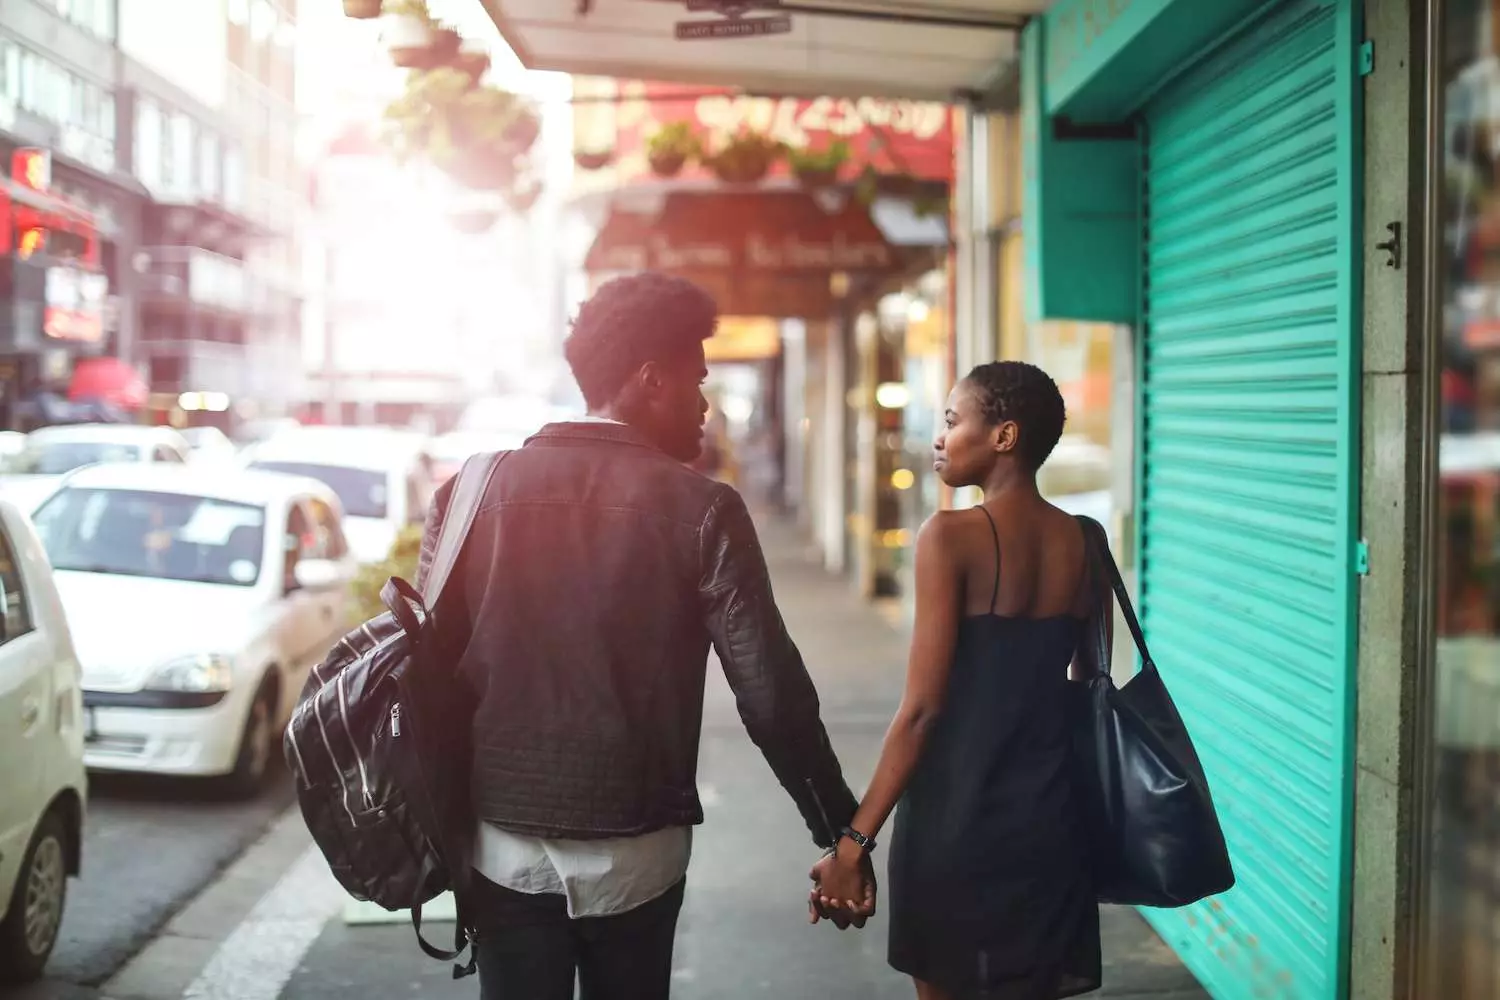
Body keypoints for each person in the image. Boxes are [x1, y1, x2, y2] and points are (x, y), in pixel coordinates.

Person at [415, 272, 873, 1000]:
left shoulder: (469, 492)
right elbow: (771, 694)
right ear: (651, 379)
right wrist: (839, 832)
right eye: (696, 380)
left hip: (501, 839)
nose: (703, 403)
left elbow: (425, 673)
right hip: (639, 846)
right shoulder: (703, 509)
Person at [810, 361, 1102, 1000]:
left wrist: (854, 841)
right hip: (1051, 820)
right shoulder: (1087, 541)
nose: (938, 439)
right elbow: (1086, 686)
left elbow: (922, 712)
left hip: (957, 820)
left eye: (951, 421)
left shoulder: (949, 537)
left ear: (1003, 436)